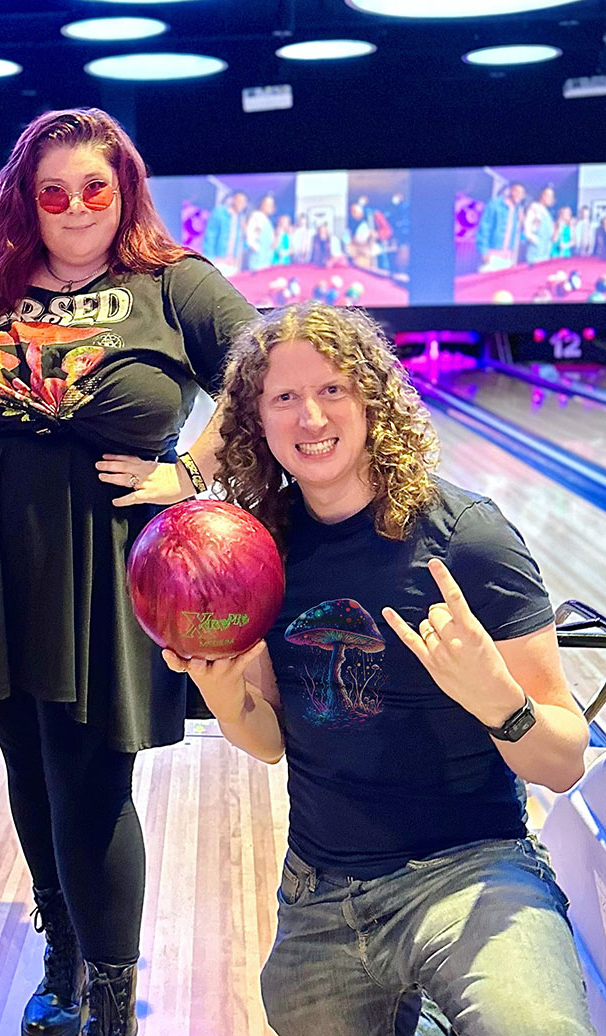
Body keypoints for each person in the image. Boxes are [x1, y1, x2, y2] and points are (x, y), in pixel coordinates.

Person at [0, 107, 257, 1036]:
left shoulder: (173, 282)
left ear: (124, 190)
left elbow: (263, 372)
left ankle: (109, 999)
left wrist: (191, 471)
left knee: (90, 780)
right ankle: (62, 953)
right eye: (53, 191)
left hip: (105, 569)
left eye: (93, 188)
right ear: (26, 199)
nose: (75, 207)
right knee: (29, 769)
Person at [166, 301, 594, 1036]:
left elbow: (562, 764)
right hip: (320, 891)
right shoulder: (261, 554)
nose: (311, 417)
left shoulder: (468, 539)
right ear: (256, 421)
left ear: (371, 398)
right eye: (284, 397)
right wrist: (225, 696)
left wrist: (499, 702)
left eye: (332, 389)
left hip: (472, 871)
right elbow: (269, 741)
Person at [203, 188, 249, 275]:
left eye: (244, 202)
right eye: (239, 201)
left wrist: (245, 231)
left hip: (233, 263)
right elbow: (210, 236)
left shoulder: (241, 219)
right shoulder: (219, 213)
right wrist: (210, 258)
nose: (241, 204)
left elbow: (243, 243)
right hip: (218, 261)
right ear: (233, 200)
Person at [523, 185, 556, 264]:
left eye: (552, 196)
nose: (550, 198)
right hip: (535, 253)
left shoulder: (547, 213)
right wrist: (535, 241)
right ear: (542, 195)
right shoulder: (535, 207)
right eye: (548, 195)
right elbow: (527, 227)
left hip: (545, 252)